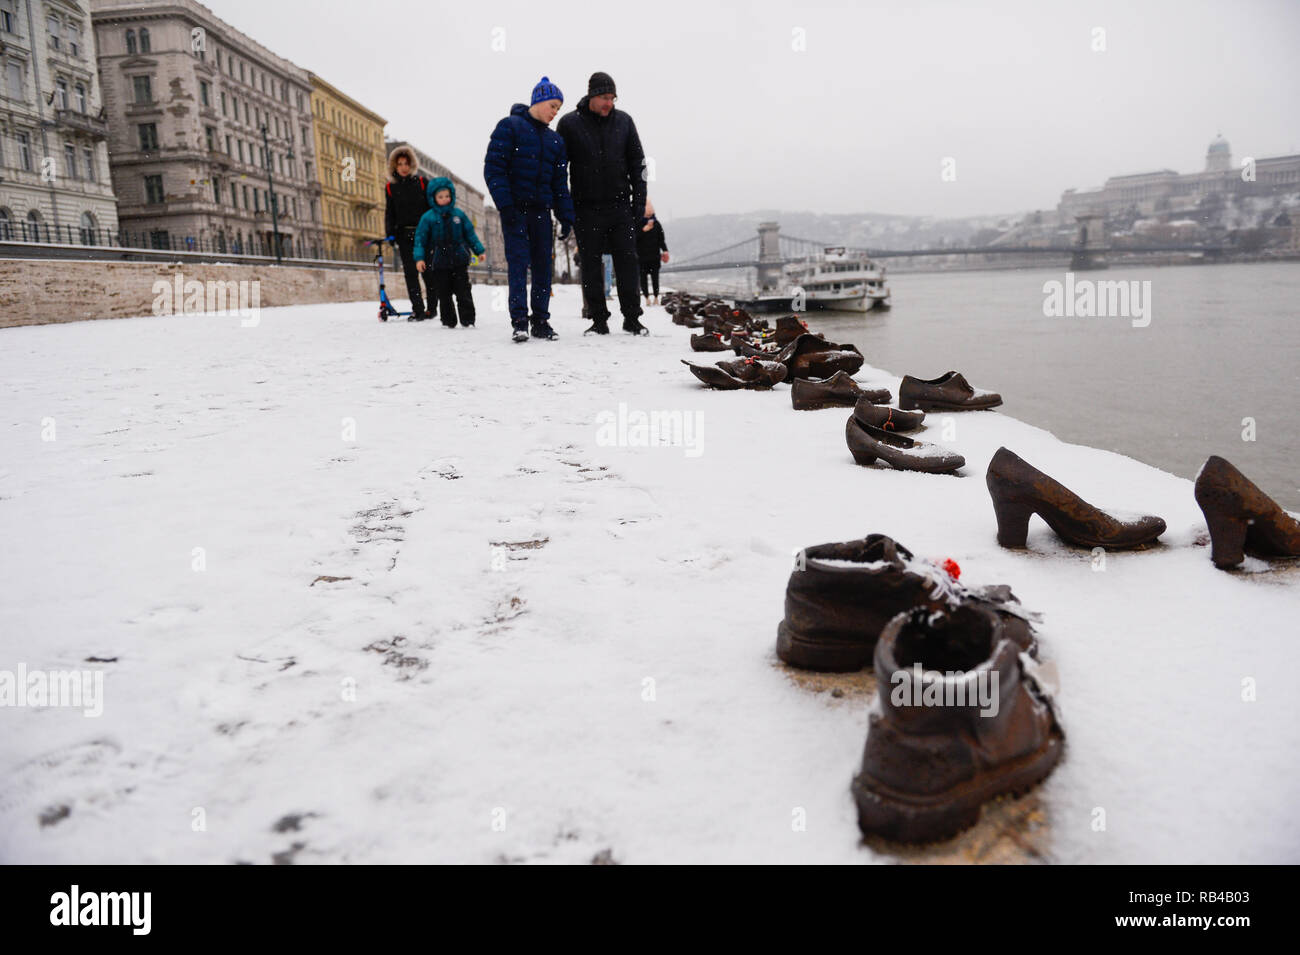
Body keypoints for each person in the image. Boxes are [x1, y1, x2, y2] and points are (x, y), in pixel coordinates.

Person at [483, 77, 576, 342]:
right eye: (553, 105)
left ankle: (541, 321)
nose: (555, 111)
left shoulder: (555, 141)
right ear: (538, 100)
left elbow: (560, 183)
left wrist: (565, 215)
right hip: (515, 210)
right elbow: (494, 169)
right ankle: (520, 321)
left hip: (541, 213)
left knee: (542, 267)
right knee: (518, 264)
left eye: (559, 107)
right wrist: (506, 205)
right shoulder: (509, 127)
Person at [557, 72, 649, 336]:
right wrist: (565, 207)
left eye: (612, 98)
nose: (609, 103)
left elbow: (639, 165)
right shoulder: (569, 124)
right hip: (586, 208)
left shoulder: (624, 122)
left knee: (628, 263)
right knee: (590, 264)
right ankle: (598, 319)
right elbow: (559, 169)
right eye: (603, 97)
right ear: (591, 96)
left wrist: (639, 203)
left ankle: (632, 318)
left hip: (621, 206)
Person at [413, 177, 486, 328]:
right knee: (443, 293)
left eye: (447, 196)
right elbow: (420, 239)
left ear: (451, 195)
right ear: (433, 198)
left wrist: (479, 250)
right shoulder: (428, 218)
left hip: (459, 259)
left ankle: (468, 320)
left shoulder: (458, 215)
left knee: (463, 291)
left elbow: (470, 234)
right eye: (440, 197)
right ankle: (448, 321)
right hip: (439, 261)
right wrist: (419, 258)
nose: (444, 199)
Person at [384, 145, 435, 321]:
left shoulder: (422, 183)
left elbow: (431, 209)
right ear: (394, 166)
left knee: (428, 272)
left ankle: (432, 308)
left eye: (406, 163)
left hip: (423, 235)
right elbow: (389, 212)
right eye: (400, 164)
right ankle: (418, 310)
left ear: (412, 164)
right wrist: (390, 233)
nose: (403, 167)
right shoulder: (391, 188)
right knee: (411, 275)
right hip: (404, 236)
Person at [636, 200, 669, 306]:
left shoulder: (657, 224)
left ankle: (655, 297)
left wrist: (665, 251)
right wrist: (644, 230)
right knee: (643, 279)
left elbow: (661, 240)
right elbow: (634, 239)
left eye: (651, 212)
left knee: (655, 279)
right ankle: (646, 298)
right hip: (642, 257)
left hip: (655, 257)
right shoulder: (638, 223)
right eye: (647, 212)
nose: (649, 214)